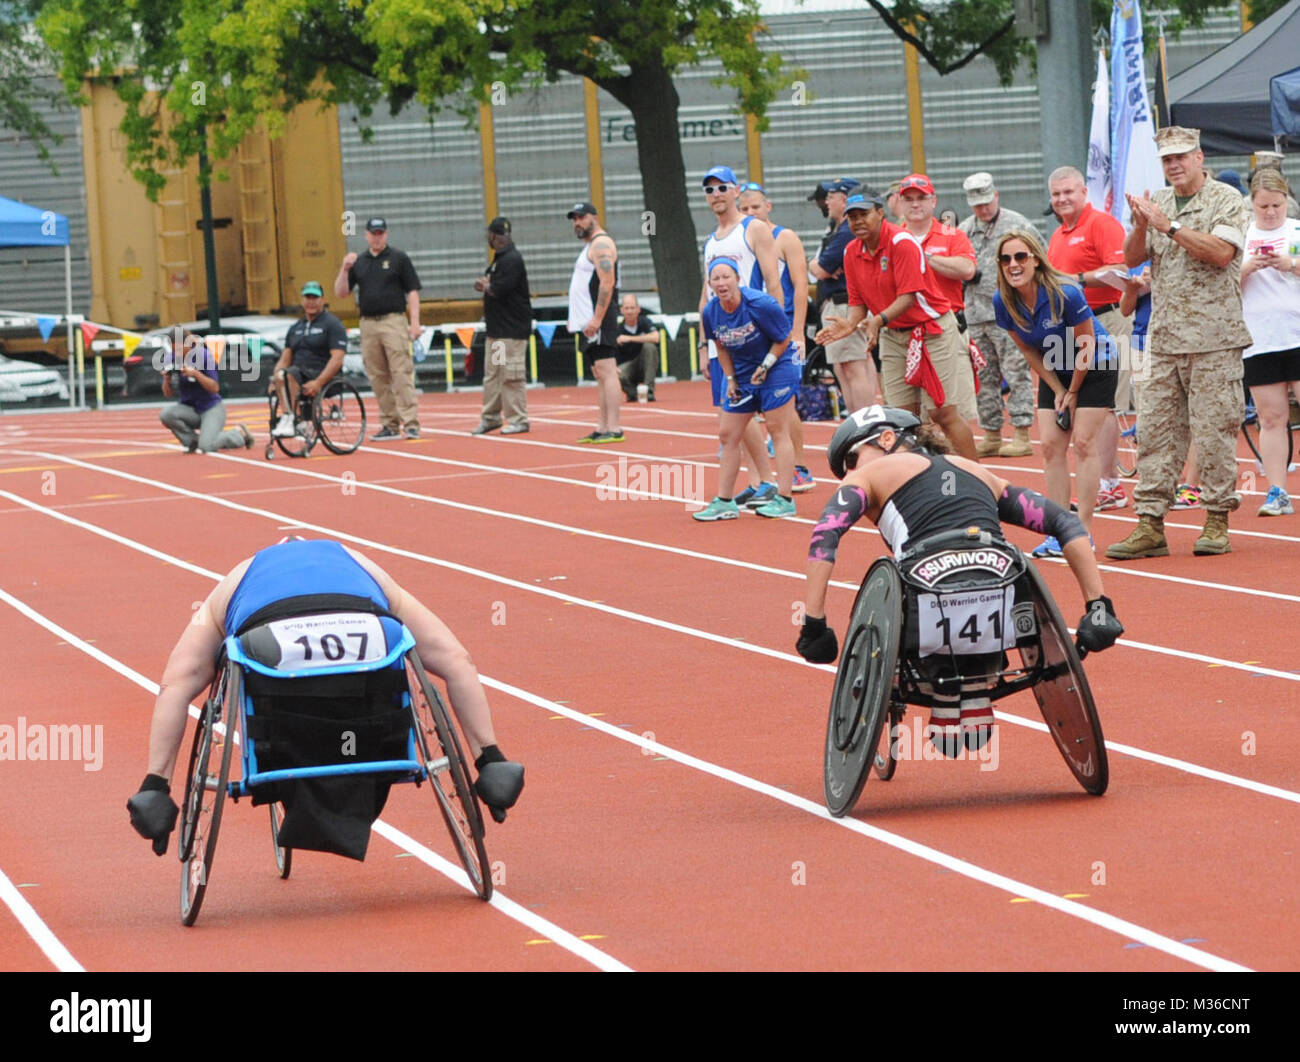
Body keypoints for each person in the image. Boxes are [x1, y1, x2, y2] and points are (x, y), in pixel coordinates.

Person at [125, 537, 525, 859]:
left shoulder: (235, 579)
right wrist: (488, 757)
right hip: (371, 715)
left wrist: (156, 783)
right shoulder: (360, 564)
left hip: (282, 714)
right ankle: (490, 760)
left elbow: (178, 682)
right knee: (393, 648)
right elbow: (456, 659)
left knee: (247, 661)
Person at [795, 404, 1122, 750]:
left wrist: (814, 624)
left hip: (926, 604)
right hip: (1006, 598)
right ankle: (977, 682)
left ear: (887, 438)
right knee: (987, 577)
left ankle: (944, 687)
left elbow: (824, 537)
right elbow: (1067, 523)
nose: (847, 474)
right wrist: (1098, 607)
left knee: (920, 582)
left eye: (850, 460)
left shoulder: (868, 477)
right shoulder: (978, 472)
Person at [1109, 126, 1251, 559]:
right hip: (1165, 338)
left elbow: (1221, 252)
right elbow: (1133, 257)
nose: (1173, 165)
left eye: (1180, 157)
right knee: (1155, 431)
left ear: (1199, 157)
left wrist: (1167, 226)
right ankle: (1150, 522)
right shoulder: (1160, 202)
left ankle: (1216, 520)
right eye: (1167, 159)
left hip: (1214, 339)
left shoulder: (1226, 200)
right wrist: (1139, 225)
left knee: (1214, 433)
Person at [815, 190, 978, 459]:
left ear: (880, 213)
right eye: (852, 217)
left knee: (942, 413)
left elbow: (908, 296)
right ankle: (919, 481)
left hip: (931, 330)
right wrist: (850, 324)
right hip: (893, 334)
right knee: (901, 418)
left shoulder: (902, 242)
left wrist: (876, 321)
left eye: (863, 214)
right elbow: (858, 302)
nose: (858, 222)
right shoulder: (851, 252)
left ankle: (977, 481)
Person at [993, 229, 1117, 556]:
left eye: (1020, 256)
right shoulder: (1003, 300)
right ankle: (1060, 529)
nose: (1013, 264)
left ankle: (1083, 531)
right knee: (1049, 446)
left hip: (1094, 362)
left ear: (1035, 259)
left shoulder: (1066, 292)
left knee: (1084, 442)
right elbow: (1029, 351)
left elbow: (1086, 345)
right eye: (1006, 259)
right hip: (1055, 368)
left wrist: (1073, 391)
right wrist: (1058, 388)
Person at [1045, 165, 1132, 513]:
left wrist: (1075, 278)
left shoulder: (1102, 224)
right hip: (1070, 328)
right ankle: (1099, 479)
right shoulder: (1058, 235)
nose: (1062, 199)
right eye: (1056, 194)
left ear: (1084, 192)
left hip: (1106, 318)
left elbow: (1121, 272)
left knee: (1105, 404)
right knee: (1077, 404)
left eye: (1069, 192)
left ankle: (1111, 483)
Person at [698, 166, 784, 506]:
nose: (716, 194)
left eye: (721, 188)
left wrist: (782, 333)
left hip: (755, 336)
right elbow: (705, 294)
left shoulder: (754, 228)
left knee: (763, 414)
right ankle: (760, 480)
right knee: (733, 411)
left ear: (735, 191)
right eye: (709, 190)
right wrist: (705, 344)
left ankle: (779, 481)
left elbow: (772, 279)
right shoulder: (710, 241)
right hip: (724, 337)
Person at [692, 257, 800, 520]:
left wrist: (766, 365)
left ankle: (785, 498)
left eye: (726, 277)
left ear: (738, 279)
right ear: (710, 284)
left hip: (778, 365)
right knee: (728, 434)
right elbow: (721, 346)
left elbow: (784, 338)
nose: (721, 283)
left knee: (776, 429)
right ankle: (725, 502)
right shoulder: (711, 312)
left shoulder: (760, 304)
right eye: (715, 279)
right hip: (742, 372)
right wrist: (730, 380)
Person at [737, 180, 816, 493]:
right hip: (748, 333)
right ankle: (759, 477)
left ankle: (798, 467)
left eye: (755, 206)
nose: (750, 212)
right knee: (747, 403)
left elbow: (799, 286)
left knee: (786, 401)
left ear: (767, 207)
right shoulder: (740, 239)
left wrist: (797, 331)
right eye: (744, 208)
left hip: (781, 330)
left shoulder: (784, 237)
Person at [959, 171, 1036, 458]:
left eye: (987, 202)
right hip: (976, 315)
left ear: (997, 196)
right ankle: (991, 433)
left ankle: (1022, 432)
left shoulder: (1017, 225)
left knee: (1016, 372)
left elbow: (1040, 260)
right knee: (984, 376)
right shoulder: (964, 230)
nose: (984, 209)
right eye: (977, 205)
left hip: (1011, 312)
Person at [1240, 168, 1300, 516]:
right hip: (1260, 337)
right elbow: (1224, 281)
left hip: (1296, 332)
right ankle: (1277, 491)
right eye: (1263, 206)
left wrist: (1290, 263)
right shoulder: (1242, 236)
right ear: (1252, 203)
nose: (1271, 212)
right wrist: (1249, 267)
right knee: (1271, 416)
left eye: (1276, 205)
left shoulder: (1295, 230)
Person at [898, 172, 980, 426]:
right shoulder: (893, 237)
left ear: (933, 201)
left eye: (921, 198)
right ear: (900, 204)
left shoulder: (952, 235)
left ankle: (961, 465)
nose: (915, 204)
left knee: (956, 413)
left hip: (947, 329)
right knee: (911, 417)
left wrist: (923, 256)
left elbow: (967, 269)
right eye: (909, 199)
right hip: (906, 333)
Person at [334, 217, 423, 440]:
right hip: (368, 323)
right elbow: (341, 292)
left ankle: (411, 422)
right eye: (373, 233)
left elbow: (412, 291)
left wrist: (414, 322)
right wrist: (344, 269)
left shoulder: (399, 258)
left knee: (401, 371)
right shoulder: (360, 261)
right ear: (366, 235)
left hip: (393, 319)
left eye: (380, 233)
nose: (377, 237)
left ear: (386, 234)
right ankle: (389, 423)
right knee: (377, 375)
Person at [808, 178, 879, 413]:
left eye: (831, 196)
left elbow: (821, 269)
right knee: (845, 365)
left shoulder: (846, 233)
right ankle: (861, 421)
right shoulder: (837, 230)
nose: (826, 202)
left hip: (844, 304)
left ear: (844, 199)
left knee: (852, 364)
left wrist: (813, 263)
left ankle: (864, 422)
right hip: (839, 304)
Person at [565, 201, 623, 443]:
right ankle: (602, 426)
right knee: (599, 373)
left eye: (581, 218)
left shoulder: (601, 244)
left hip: (598, 319)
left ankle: (615, 427)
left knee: (607, 370)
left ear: (593, 218)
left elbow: (607, 282)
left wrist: (597, 318)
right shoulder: (591, 246)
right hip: (587, 321)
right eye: (575, 219)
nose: (577, 223)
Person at [472, 216, 533, 436]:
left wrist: (487, 286)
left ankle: (518, 418)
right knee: (494, 375)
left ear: (494, 236)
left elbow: (501, 288)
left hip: (511, 331)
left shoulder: (512, 259)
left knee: (511, 376)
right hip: (497, 332)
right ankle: (491, 417)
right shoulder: (499, 259)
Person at [269, 282, 347, 437]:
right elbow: (285, 359)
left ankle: (295, 420)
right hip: (297, 372)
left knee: (289, 375)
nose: (311, 302)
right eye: (307, 297)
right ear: (302, 300)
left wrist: (319, 382)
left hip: (320, 373)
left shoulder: (332, 324)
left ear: (322, 300)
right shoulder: (296, 327)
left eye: (315, 297)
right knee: (281, 375)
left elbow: (337, 359)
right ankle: (289, 417)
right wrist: (274, 380)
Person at [158, 331, 255, 453]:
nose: (176, 353)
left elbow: (214, 388)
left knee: (207, 447)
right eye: (173, 350)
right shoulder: (171, 359)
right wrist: (167, 379)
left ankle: (239, 433)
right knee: (166, 414)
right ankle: (194, 442)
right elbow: (167, 394)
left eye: (178, 349)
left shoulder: (204, 356)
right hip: (190, 409)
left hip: (211, 407)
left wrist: (196, 374)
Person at [615, 293, 660, 402]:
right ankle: (635, 394)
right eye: (626, 308)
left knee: (650, 347)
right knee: (616, 374)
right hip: (627, 367)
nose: (630, 311)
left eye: (632, 308)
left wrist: (630, 338)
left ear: (638, 309)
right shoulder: (617, 329)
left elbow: (656, 337)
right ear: (621, 310)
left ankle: (649, 391)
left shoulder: (645, 322)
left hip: (645, 365)